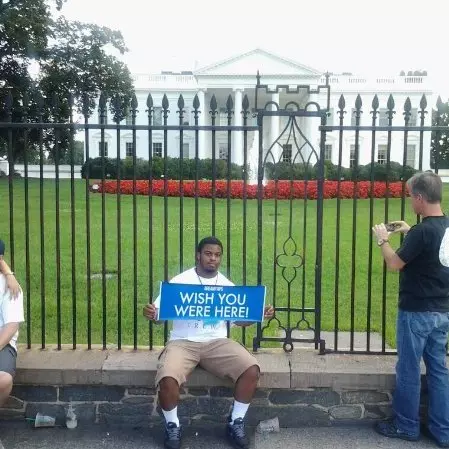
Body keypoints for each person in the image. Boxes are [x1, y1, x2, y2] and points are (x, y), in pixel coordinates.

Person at [143, 236, 274, 449]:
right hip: (183, 342)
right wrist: (151, 313)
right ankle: (172, 426)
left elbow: (239, 320)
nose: (213, 259)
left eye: (217, 255)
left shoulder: (226, 285)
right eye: (208, 254)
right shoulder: (179, 282)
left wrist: (259, 314)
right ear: (198, 255)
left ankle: (235, 422)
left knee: (251, 369)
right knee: (167, 377)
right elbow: (160, 315)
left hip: (217, 342)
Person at [372, 172, 449, 447]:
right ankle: (442, 430)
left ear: (419, 197)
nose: (409, 200)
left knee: (408, 369)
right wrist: (408, 230)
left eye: (410, 195)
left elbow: (395, 264)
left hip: (416, 311)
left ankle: (406, 425)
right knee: (439, 370)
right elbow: (434, 252)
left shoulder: (423, 232)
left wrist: (383, 240)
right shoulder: (445, 227)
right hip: (442, 311)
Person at [0, 239, 24, 407]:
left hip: (2, 342)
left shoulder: (10, 287)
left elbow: (11, 326)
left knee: (3, 379)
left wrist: (8, 274)